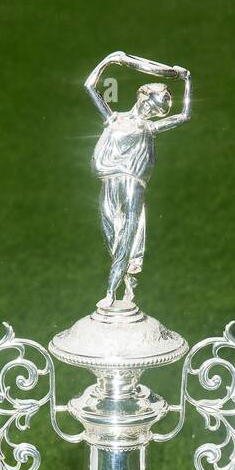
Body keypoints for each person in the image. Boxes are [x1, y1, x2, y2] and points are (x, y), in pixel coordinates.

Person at [84, 51, 192, 309]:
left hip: (133, 183)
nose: (151, 110)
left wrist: (187, 80)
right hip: (109, 182)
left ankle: (110, 292)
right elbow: (89, 86)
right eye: (151, 103)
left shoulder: (149, 128)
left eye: (156, 109)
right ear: (142, 97)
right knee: (112, 233)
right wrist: (110, 59)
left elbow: (185, 116)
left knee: (128, 234)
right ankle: (128, 282)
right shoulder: (115, 119)